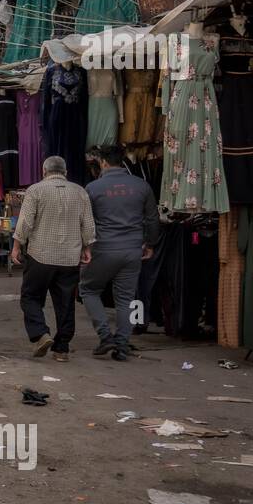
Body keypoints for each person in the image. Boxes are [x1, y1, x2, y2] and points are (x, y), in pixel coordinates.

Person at [11, 155, 96, 362]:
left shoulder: (35, 190)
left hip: (40, 255)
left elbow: (25, 224)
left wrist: (16, 246)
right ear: (65, 172)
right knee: (65, 303)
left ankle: (41, 334)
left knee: (30, 297)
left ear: (44, 171)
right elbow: (88, 225)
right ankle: (62, 349)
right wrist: (87, 247)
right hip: (69, 258)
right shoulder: (80, 192)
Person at [81, 145, 158, 361]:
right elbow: (152, 219)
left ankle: (106, 336)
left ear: (103, 163)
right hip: (133, 250)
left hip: (103, 249)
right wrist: (150, 244)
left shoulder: (93, 188)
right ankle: (122, 344)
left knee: (88, 289)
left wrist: (85, 247)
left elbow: (86, 222)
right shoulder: (142, 186)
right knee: (125, 299)